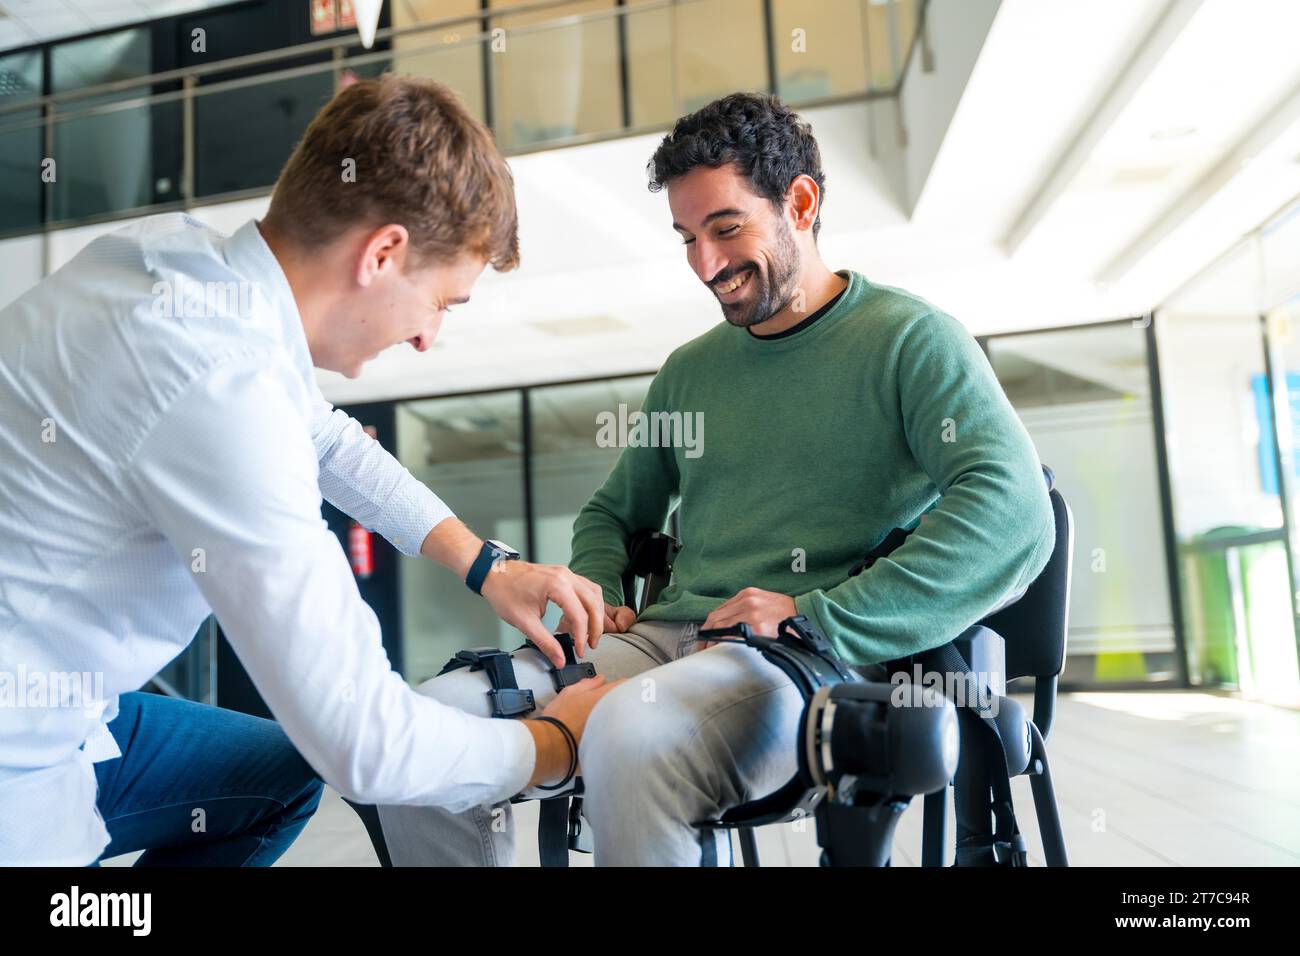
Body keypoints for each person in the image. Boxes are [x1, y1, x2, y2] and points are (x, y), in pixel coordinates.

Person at [376, 92, 1055, 866]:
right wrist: (596, 597)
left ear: (800, 202)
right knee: (427, 733)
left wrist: (819, 615)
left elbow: (1014, 512)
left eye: (726, 228)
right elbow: (610, 512)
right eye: (688, 237)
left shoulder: (909, 341)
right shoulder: (690, 372)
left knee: (631, 734)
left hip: (809, 663)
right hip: (663, 645)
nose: (706, 265)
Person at [0, 75, 618, 867]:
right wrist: (552, 745)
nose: (430, 338)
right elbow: (362, 741)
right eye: (441, 302)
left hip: (64, 694)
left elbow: (326, 440)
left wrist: (487, 564)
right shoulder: (221, 388)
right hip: (20, 752)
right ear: (384, 252)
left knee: (275, 777)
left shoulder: (180, 263)